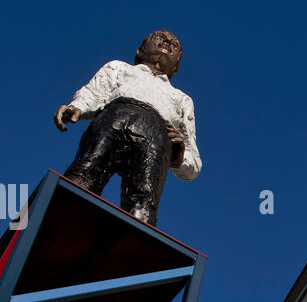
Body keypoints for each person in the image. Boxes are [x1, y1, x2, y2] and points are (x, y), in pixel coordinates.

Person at [53, 31, 201, 226]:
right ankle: (62, 220)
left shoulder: (182, 100)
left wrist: (180, 156)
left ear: (176, 66)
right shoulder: (119, 68)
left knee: (144, 197)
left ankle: (135, 239)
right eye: (160, 38)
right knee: (85, 171)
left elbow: (193, 162)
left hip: (156, 136)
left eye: (175, 45)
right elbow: (95, 93)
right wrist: (77, 107)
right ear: (141, 49)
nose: (167, 43)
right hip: (113, 119)